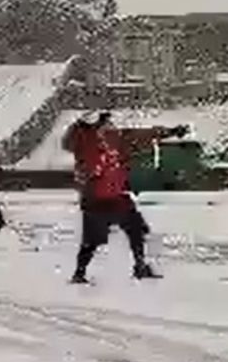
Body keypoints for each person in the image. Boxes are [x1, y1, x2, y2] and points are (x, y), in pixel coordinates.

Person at [62, 113, 186, 284]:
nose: (110, 127)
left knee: (135, 229)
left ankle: (140, 266)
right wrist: (80, 125)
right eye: (105, 124)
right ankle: (80, 272)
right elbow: (68, 143)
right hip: (96, 200)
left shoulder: (116, 139)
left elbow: (144, 135)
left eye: (109, 124)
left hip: (114, 198)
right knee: (91, 240)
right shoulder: (84, 141)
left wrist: (169, 132)